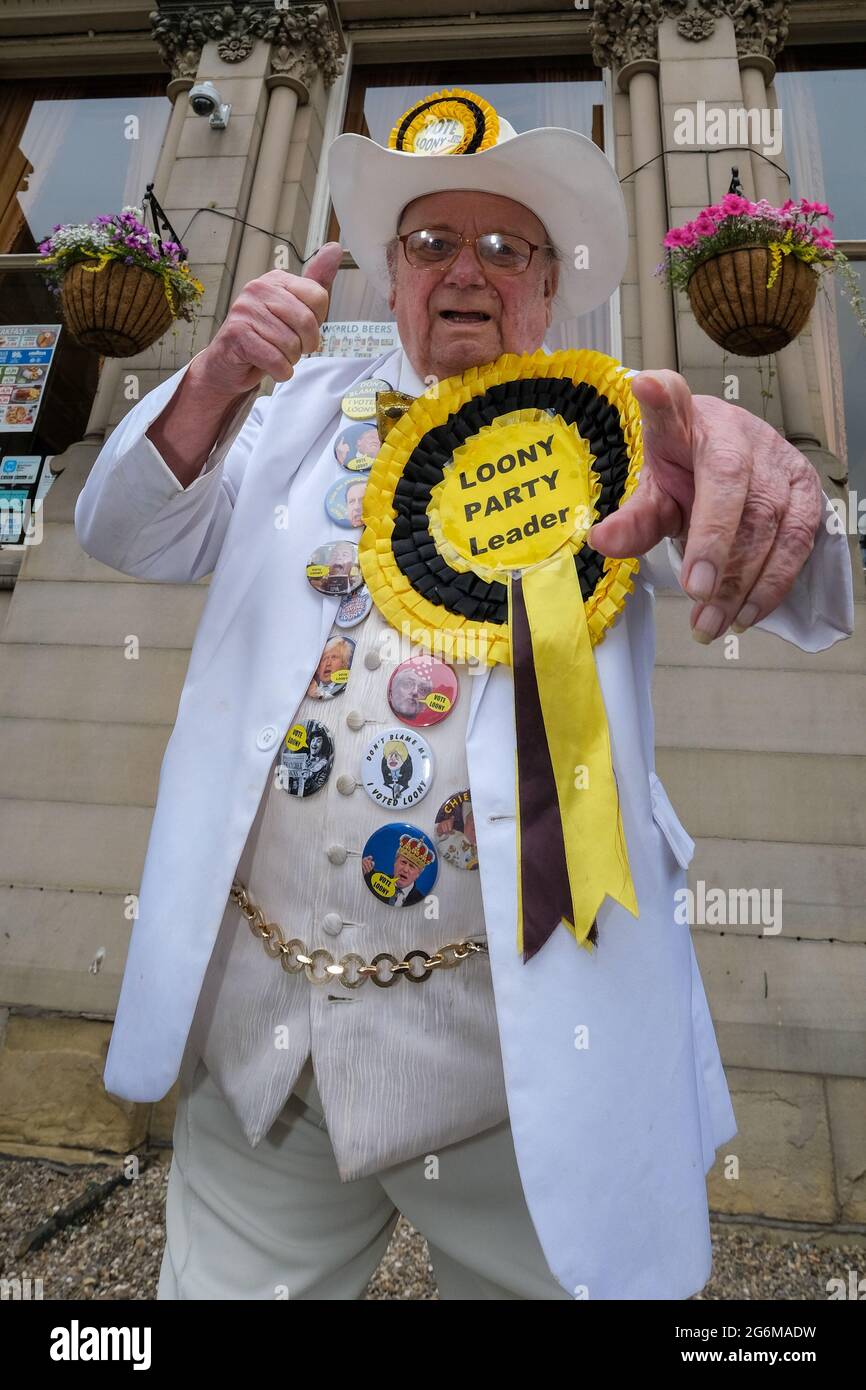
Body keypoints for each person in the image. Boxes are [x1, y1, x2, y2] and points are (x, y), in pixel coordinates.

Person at [74, 87, 854, 1300]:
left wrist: (751, 469)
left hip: (518, 1065)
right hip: (263, 1050)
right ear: (390, 275)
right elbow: (123, 529)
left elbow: (807, 599)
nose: (467, 272)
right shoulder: (285, 419)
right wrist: (215, 377)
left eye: (506, 247)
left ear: (545, 289)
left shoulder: (616, 431)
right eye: (433, 242)